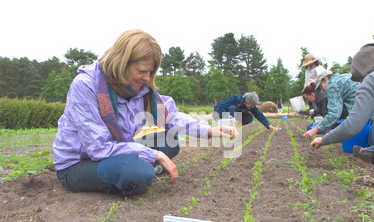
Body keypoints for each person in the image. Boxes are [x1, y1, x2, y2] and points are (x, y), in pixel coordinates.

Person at [53, 29, 237, 197]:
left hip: (118, 148)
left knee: (169, 140)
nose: (147, 78)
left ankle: (137, 169)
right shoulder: (85, 85)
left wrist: (209, 130)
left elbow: (171, 116)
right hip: (79, 163)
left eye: (150, 72)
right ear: (121, 63)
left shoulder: (139, 88)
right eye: (141, 71)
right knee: (137, 173)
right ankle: (138, 173)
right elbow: (98, 148)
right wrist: (154, 156)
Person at [310, 42, 374, 169]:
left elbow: (353, 126)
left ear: (364, 70)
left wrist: (323, 139)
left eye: (359, 77)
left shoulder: (372, 79)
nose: (359, 82)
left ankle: (373, 149)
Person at [303, 70, 359, 139]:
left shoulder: (332, 85)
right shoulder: (342, 77)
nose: (322, 90)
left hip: (359, 112)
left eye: (321, 86)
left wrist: (314, 131)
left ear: (326, 79)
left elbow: (334, 114)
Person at [213, 92, 278, 131]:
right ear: (246, 102)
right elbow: (220, 107)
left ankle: (234, 127)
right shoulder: (236, 98)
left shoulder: (252, 106)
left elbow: (259, 114)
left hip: (234, 116)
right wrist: (226, 116)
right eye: (252, 105)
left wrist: (268, 125)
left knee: (249, 118)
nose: (253, 107)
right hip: (219, 114)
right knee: (232, 108)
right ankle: (227, 128)